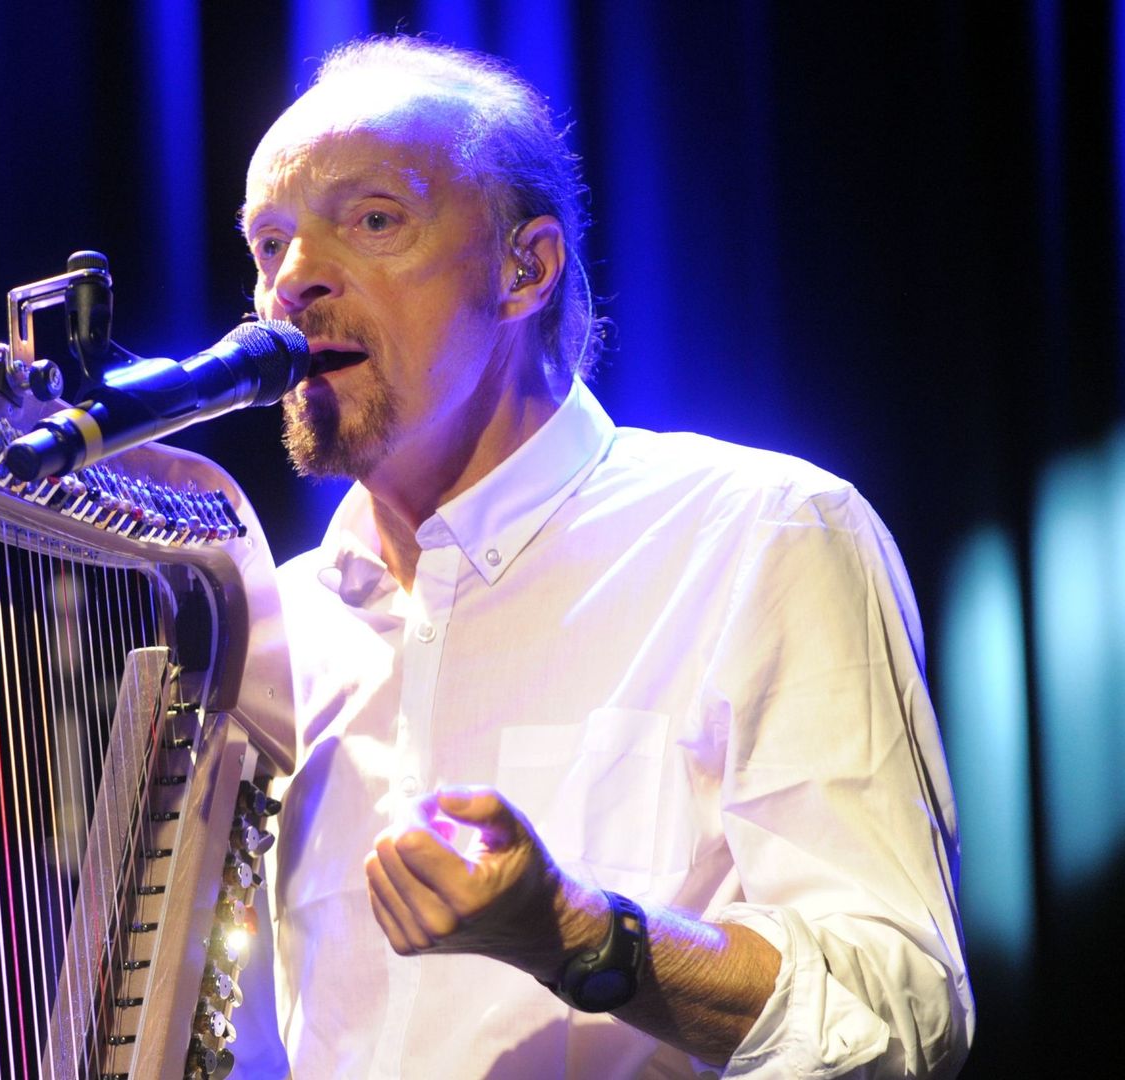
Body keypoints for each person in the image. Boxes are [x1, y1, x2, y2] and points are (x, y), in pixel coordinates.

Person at [239, 37, 972, 1077]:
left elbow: (894, 1014)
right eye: (270, 243)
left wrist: (578, 933)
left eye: (373, 221)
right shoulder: (275, 630)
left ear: (526, 268)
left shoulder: (764, 534)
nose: (295, 281)